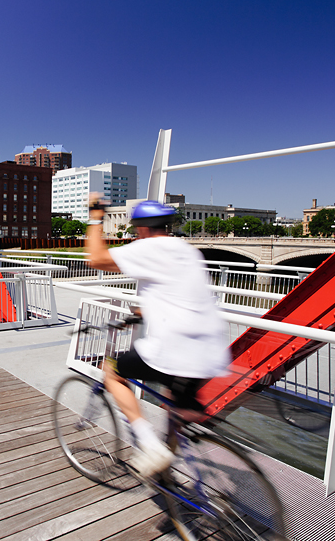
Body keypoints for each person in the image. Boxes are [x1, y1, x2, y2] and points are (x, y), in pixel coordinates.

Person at [85, 196, 231, 478]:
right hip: (210, 351)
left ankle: (151, 447)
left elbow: (97, 259)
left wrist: (95, 217)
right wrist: (140, 313)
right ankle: (167, 475)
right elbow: (175, 291)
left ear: (142, 228)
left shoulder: (149, 247)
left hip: (175, 348)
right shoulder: (187, 251)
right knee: (176, 406)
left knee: (111, 371)